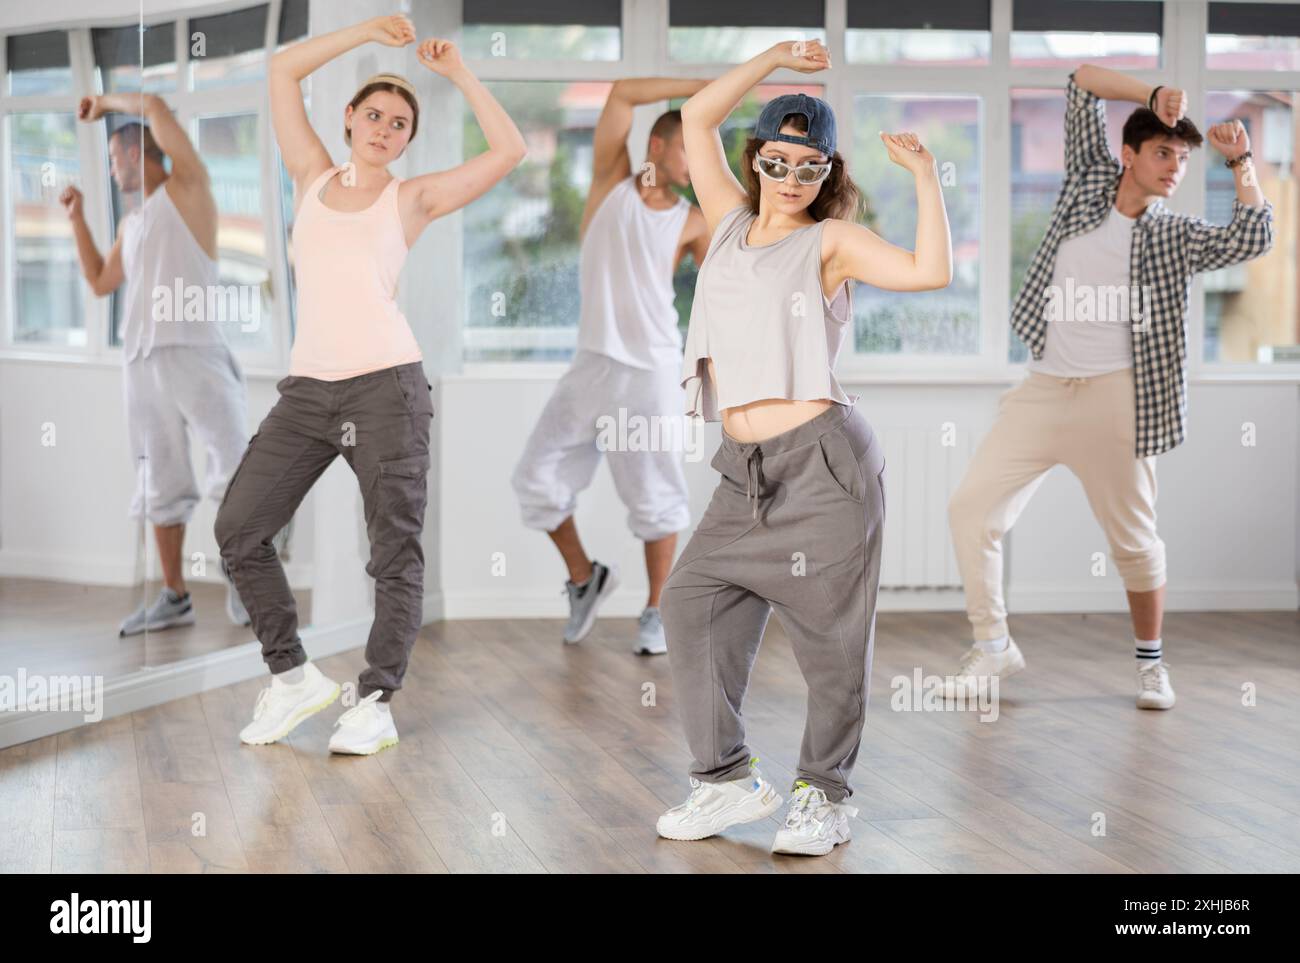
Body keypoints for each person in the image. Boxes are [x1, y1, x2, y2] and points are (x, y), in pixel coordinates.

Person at [656, 40, 952, 855]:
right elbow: (697, 115)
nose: (790, 179)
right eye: (778, 161)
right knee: (688, 601)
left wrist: (926, 176)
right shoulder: (727, 224)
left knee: (830, 644)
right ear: (757, 160)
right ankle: (725, 780)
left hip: (824, 465)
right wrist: (776, 57)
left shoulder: (829, 243)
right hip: (743, 471)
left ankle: (824, 797)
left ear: (828, 176)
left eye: (809, 168)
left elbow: (930, 272)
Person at [216, 14, 525, 754]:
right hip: (308, 393)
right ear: (350, 119)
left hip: (386, 388)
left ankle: (376, 698)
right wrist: (362, 37)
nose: (385, 128)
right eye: (375, 115)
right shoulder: (311, 175)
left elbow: (511, 150)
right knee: (239, 528)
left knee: (392, 551)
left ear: (407, 141)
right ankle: (292, 678)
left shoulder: (410, 198)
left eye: (400, 123)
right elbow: (284, 69)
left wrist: (456, 74)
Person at [943, 64, 1273, 711]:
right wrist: (1152, 94)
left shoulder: (1174, 234)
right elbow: (1080, 84)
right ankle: (992, 646)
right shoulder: (1088, 182)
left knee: (1133, 542)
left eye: (1182, 157)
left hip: (1118, 398)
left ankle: (1151, 664)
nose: (1175, 167)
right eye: (1162, 152)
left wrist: (1243, 164)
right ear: (1128, 154)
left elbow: (1253, 235)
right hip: (1043, 388)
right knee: (970, 511)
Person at [510, 78, 711, 654]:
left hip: (650, 368)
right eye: (689, 150)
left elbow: (725, 291)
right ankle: (584, 579)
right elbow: (623, 93)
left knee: (654, 496)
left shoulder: (694, 220)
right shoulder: (609, 186)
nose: (698, 165)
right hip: (591, 364)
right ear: (658, 147)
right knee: (536, 479)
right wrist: (710, 86)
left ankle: (657, 609)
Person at [64, 94, 253, 636]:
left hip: (196, 352)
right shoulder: (136, 221)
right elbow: (102, 281)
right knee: (158, 482)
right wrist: (77, 219)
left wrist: (102, 102)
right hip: (141, 362)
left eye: (111, 157)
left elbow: (153, 104)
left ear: (132, 151)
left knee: (236, 471)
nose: (110, 168)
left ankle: (247, 575)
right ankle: (175, 597)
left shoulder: (187, 189)